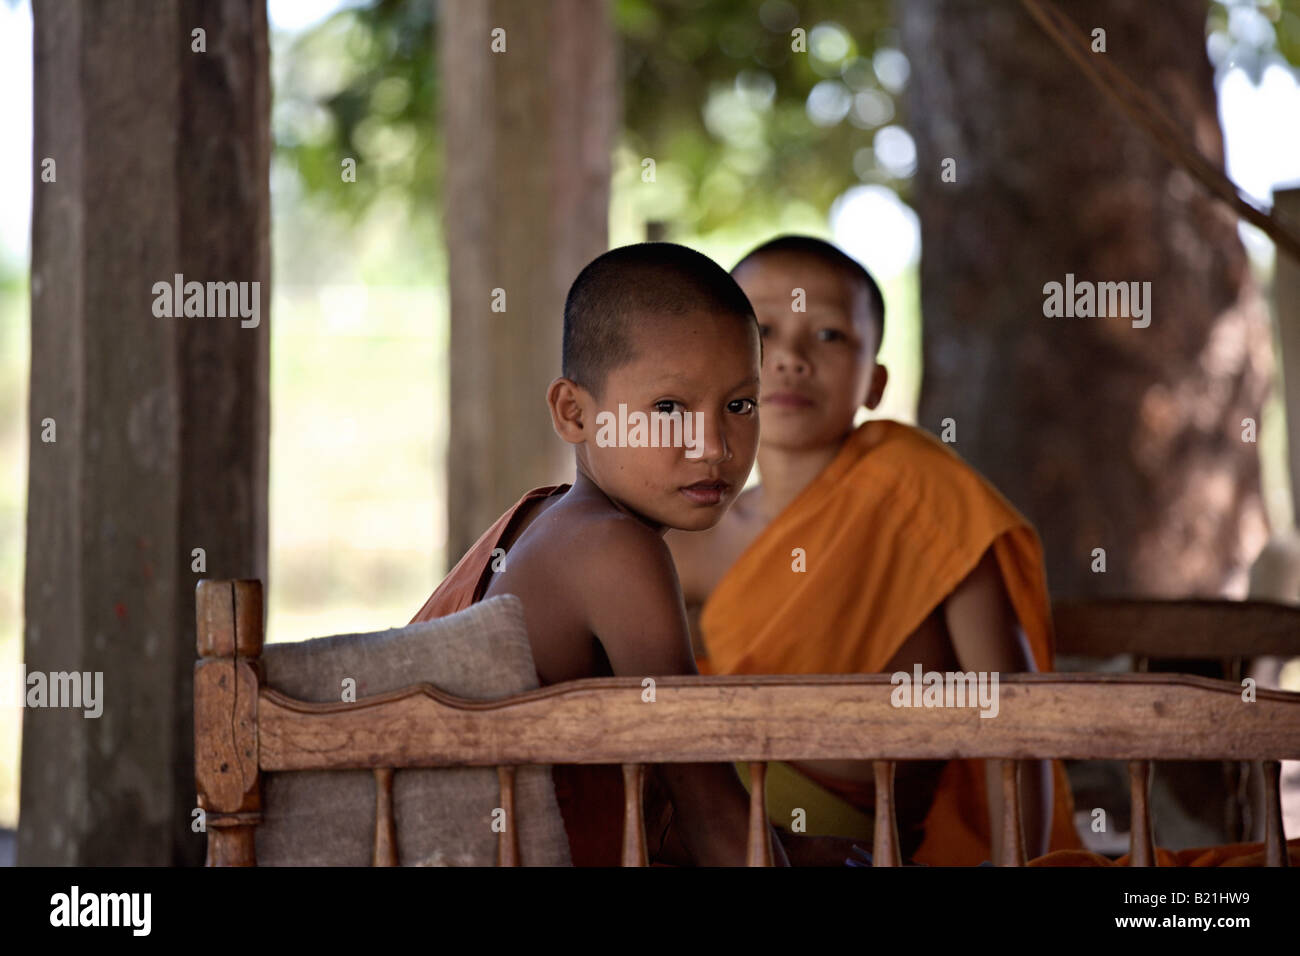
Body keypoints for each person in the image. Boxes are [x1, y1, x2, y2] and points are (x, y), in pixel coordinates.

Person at [667, 235, 1084, 865]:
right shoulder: (695, 532)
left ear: (876, 382)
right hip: (703, 819)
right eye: (763, 330)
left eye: (830, 335)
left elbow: (1008, 717)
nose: (790, 358)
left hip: (854, 844)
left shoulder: (919, 490)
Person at [408, 242, 792, 866]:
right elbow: (709, 808)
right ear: (574, 413)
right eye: (669, 408)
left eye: (740, 405)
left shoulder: (549, 517)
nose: (715, 445)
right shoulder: (613, 549)